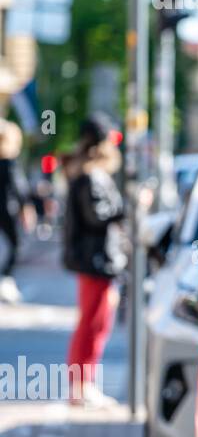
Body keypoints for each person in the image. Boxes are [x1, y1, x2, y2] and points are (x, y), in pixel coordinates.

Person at [63, 115, 128, 404]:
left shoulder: (84, 174)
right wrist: (127, 209)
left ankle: (81, 384)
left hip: (95, 259)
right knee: (94, 323)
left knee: (93, 322)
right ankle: (82, 385)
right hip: (96, 260)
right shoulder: (90, 177)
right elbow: (96, 216)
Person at [0, 119, 34, 303]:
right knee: (16, 245)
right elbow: (18, 187)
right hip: (6, 209)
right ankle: (4, 279)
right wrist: (25, 208)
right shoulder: (10, 162)